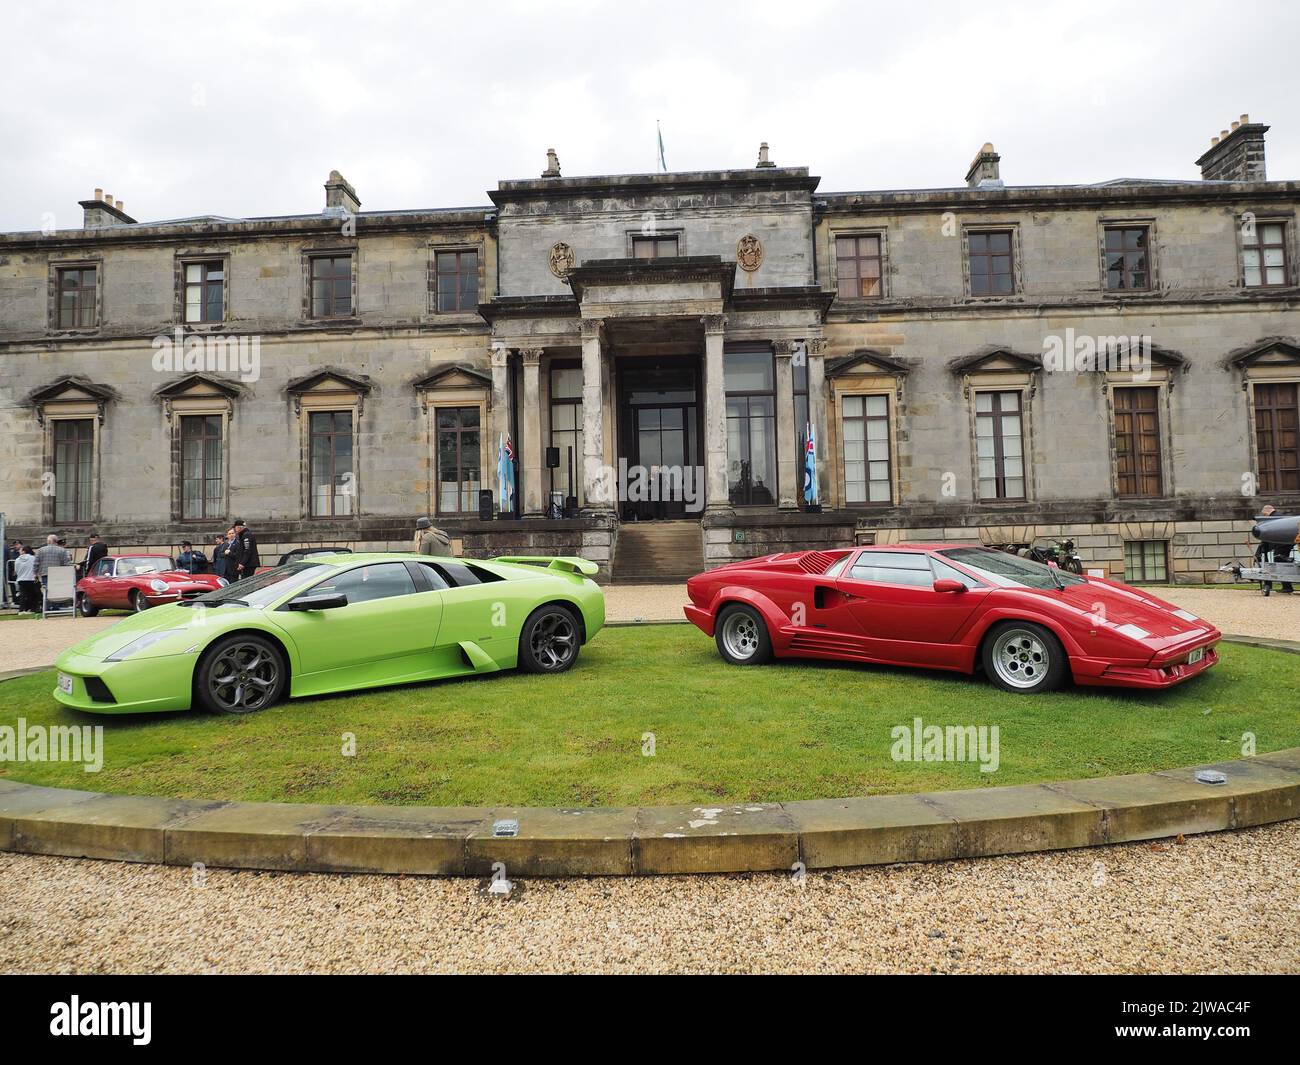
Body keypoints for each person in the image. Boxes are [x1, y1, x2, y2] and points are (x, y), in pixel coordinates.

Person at [1255, 504, 1295, 594]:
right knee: (1281, 562)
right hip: (1285, 544)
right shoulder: (1280, 516)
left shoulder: (1273, 519)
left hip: (1281, 545)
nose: (1265, 516)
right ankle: (1286, 586)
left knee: (1281, 564)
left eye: (1264, 514)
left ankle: (1287, 587)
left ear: (1267, 511)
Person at [34, 534, 74, 611]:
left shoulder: (41, 550)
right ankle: (55, 606)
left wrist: (35, 573)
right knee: (56, 591)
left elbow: (36, 563)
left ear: (49, 541)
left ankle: (47, 607)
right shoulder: (62, 550)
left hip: (45, 572)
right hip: (58, 574)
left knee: (47, 590)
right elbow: (66, 564)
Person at [14, 546, 38, 614]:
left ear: (24, 551)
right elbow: (35, 567)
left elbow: (16, 570)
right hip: (30, 578)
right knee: (31, 594)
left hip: (21, 579)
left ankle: (21, 609)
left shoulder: (17, 559)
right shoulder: (33, 558)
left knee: (23, 595)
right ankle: (31, 609)